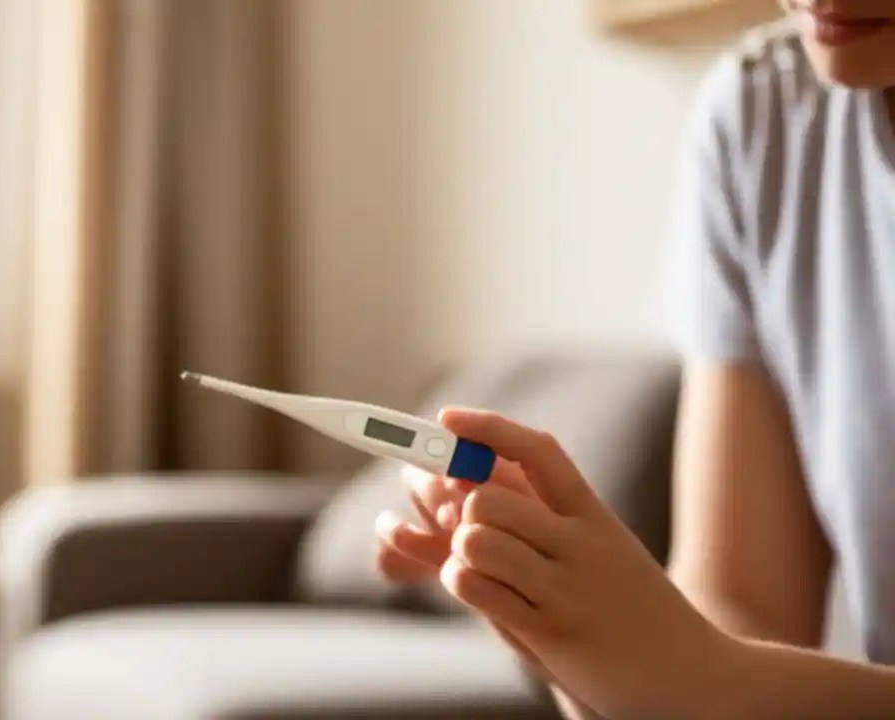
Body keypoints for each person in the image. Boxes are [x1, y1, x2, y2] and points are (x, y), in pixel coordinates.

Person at [374, 1, 895, 717]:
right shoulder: (762, 121)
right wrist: (585, 644)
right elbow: (741, 612)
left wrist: (694, 672)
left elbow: (716, 675)